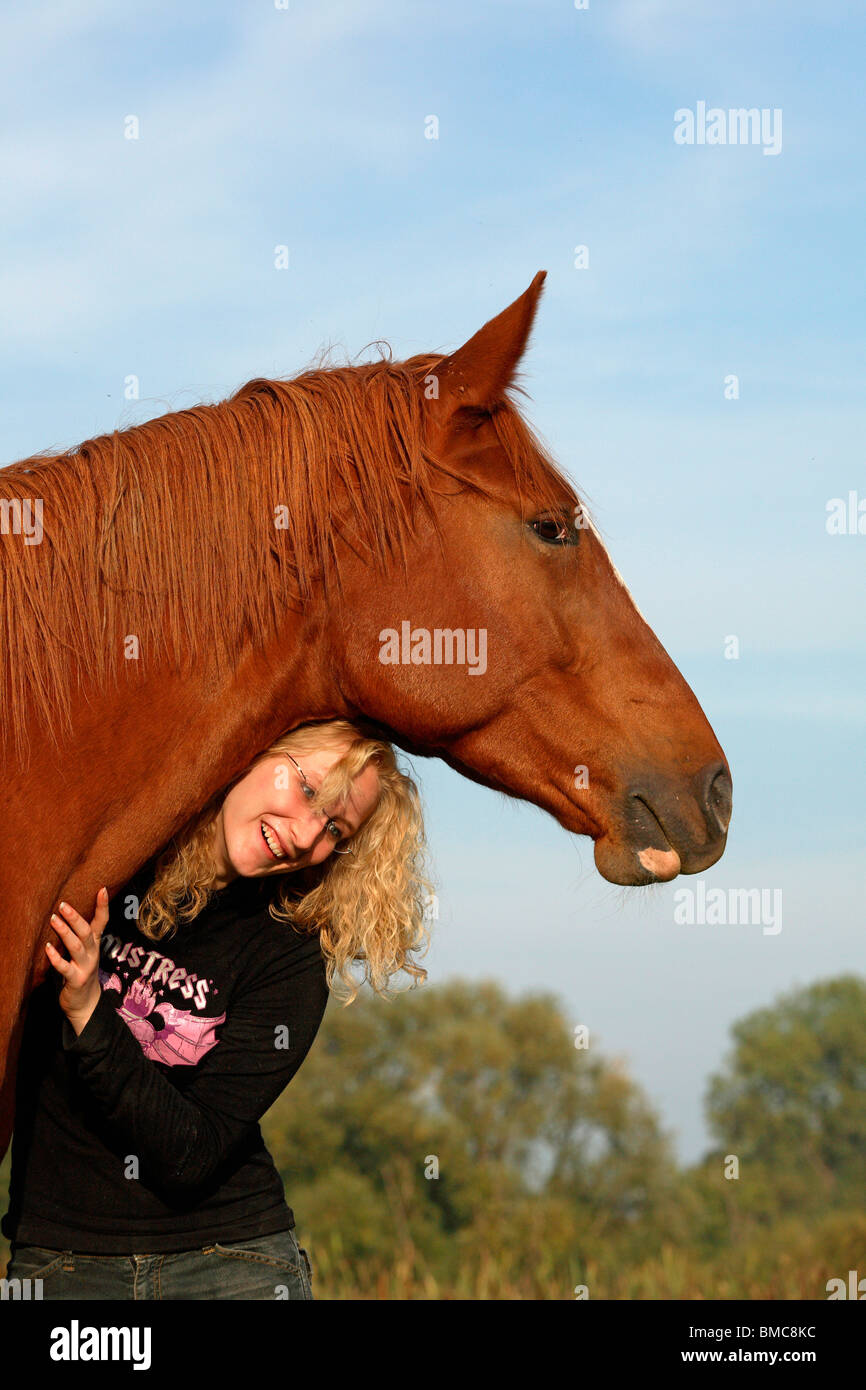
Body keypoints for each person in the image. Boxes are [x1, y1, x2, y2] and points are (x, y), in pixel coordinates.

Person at [1, 717, 433, 1300]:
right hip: (61, 1265)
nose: (307, 836)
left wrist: (88, 1008)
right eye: (308, 793)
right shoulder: (104, 858)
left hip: (228, 1265)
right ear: (255, 750)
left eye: (334, 827)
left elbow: (190, 1155)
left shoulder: (292, 954)